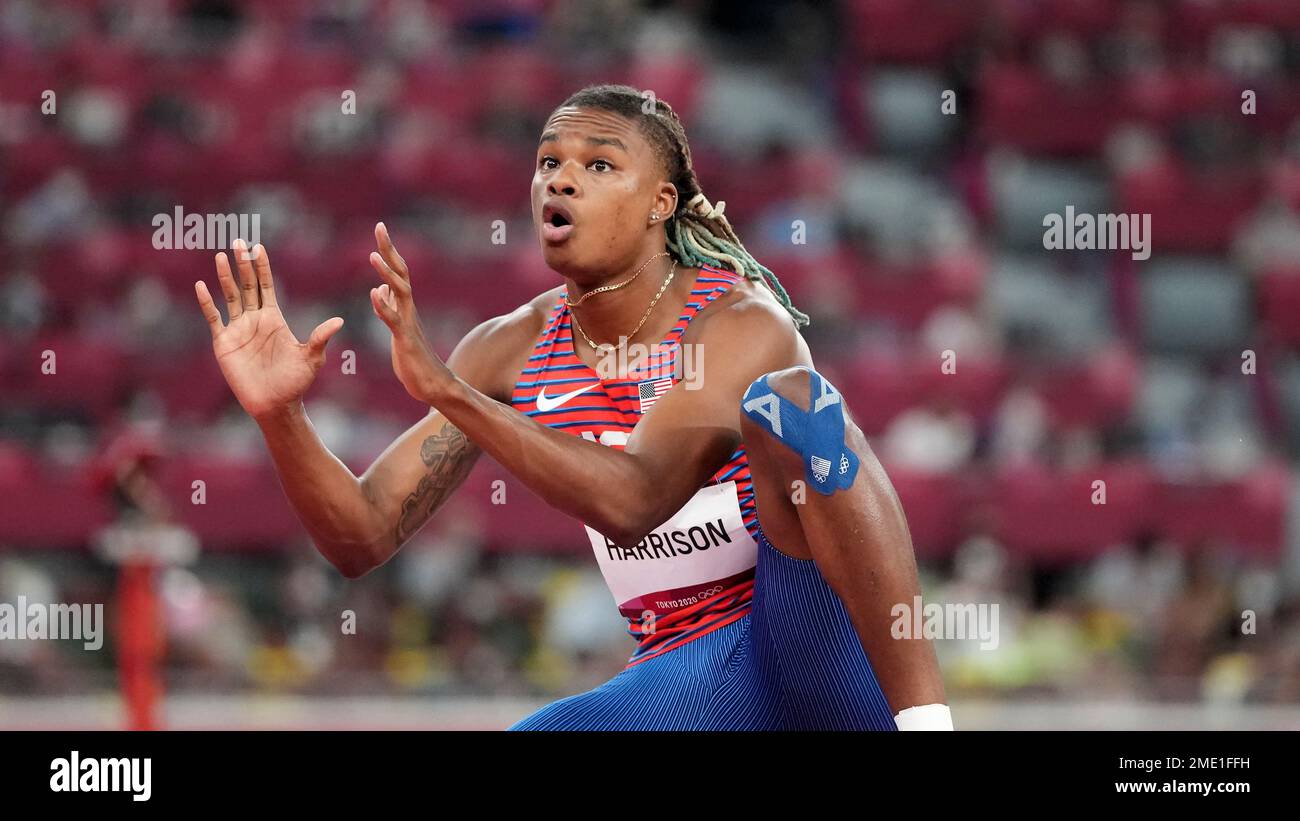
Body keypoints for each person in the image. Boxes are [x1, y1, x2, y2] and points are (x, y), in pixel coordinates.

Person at [193, 84, 948, 730]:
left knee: (794, 403)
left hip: (810, 643)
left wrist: (449, 392)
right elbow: (358, 535)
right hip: (685, 675)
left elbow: (635, 498)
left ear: (661, 203)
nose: (560, 181)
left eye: (597, 165)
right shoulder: (508, 347)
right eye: (549, 162)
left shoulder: (741, 321)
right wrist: (281, 415)